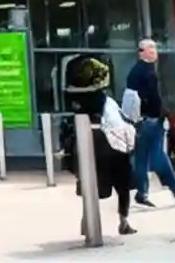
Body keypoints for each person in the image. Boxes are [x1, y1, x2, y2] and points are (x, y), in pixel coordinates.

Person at [62, 54, 139, 236]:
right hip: (110, 147)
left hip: (85, 146)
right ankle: (124, 221)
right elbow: (118, 122)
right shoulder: (102, 99)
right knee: (122, 185)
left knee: (91, 184)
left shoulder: (72, 98)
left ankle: (87, 220)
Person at [126, 39, 175, 207]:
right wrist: (164, 113)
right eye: (150, 48)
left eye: (154, 48)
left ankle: (142, 192)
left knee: (142, 158)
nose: (154, 51)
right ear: (141, 52)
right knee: (158, 157)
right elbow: (153, 98)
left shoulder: (136, 71)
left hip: (141, 121)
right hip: (151, 120)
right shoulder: (148, 72)